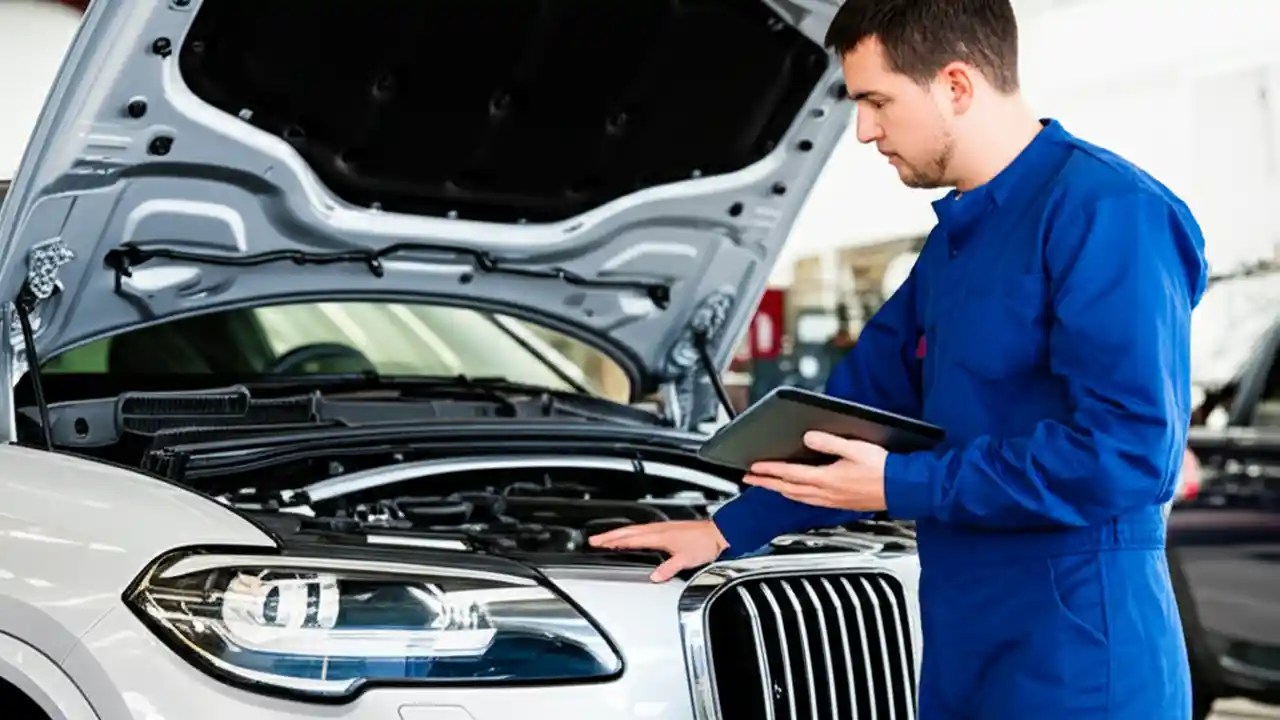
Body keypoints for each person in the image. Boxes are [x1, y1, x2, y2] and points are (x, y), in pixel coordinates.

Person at [588, 0, 1207, 718]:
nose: (863, 131)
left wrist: (903, 485)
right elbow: (848, 421)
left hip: (1081, 654)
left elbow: (1128, 455)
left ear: (956, 85)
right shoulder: (952, 248)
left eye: (876, 101)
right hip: (960, 646)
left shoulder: (1108, 210)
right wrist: (728, 527)